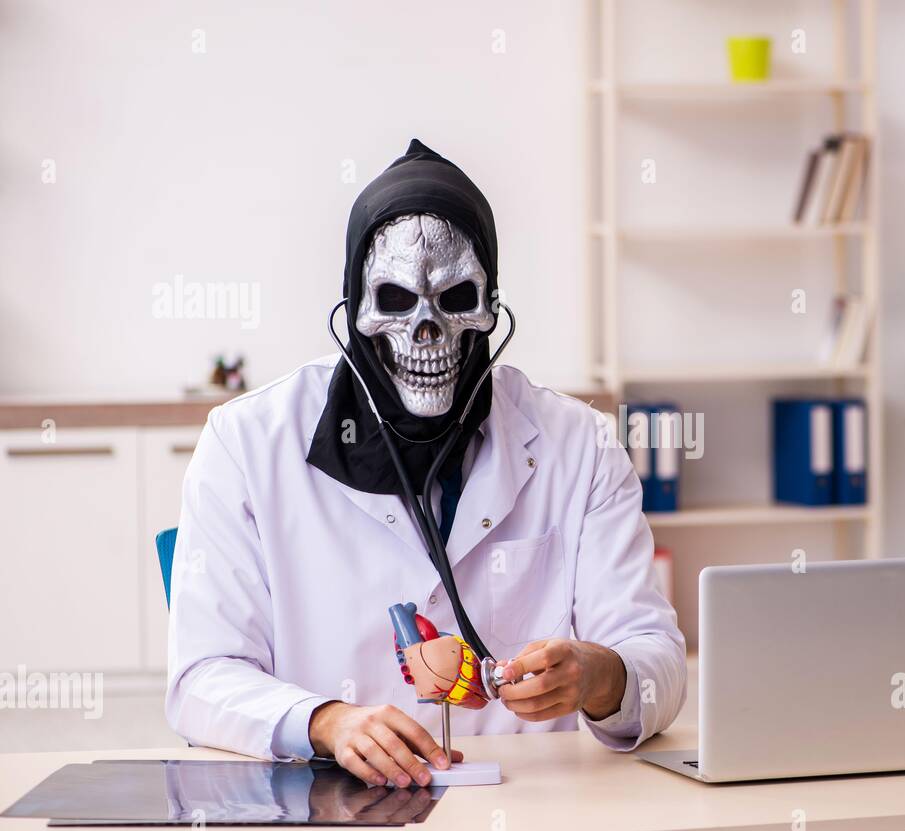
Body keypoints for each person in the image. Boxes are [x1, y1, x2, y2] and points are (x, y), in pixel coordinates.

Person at [165, 140, 687, 787]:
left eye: (456, 297)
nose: (427, 330)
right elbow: (201, 677)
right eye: (394, 300)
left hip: (535, 819)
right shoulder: (245, 443)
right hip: (336, 812)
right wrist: (324, 721)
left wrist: (603, 676)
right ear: (355, 312)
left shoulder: (580, 444)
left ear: (490, 308)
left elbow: (657, 654)